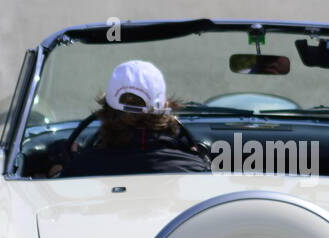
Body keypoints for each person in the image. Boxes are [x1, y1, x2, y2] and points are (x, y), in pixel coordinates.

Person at [47, 60, 210, 176]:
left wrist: (59, 167)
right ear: (166, 109)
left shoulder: (81, 170)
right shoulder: (194, 169)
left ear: (106, 110)